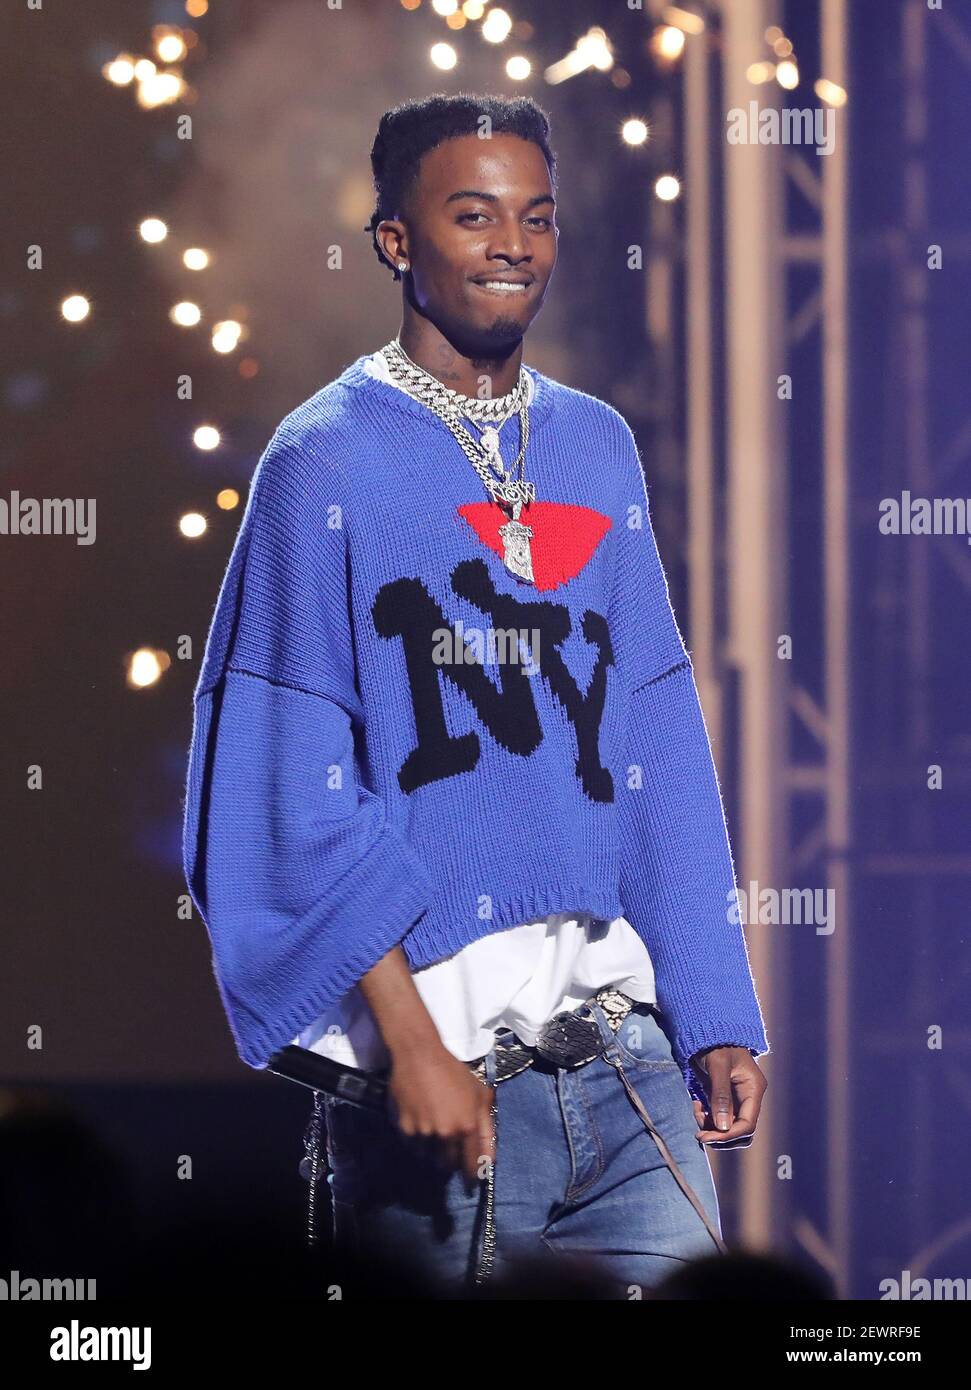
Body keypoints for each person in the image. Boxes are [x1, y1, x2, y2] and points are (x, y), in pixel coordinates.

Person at [181, 93, 769, 1298]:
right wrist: (410, 1045)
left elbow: (649, 735)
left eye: (537, 218)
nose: (513, 243)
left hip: (626, 1065)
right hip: (440, 1089)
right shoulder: (322, 459)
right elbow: (289, 789)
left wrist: (710, 1004)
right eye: (474, 213)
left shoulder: (594, 447)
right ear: (396, 238)